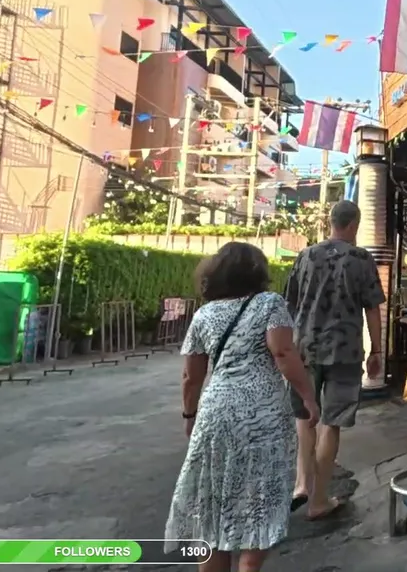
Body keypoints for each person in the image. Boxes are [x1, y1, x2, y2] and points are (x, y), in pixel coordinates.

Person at [165, 242, 320, 572]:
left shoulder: (204, 314)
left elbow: (191, 377)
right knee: (259, 498)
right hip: (263, 416)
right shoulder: (269, 303)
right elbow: (283, 352)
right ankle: (249, 566)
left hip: (216, 412)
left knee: (212, 505)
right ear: (258, 272)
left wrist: (190, 415)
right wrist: (307, 395)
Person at [284, 200, 386, 521]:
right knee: (332, 421)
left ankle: (301, 484)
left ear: (331, 222)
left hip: (304, 349)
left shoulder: (305, 256)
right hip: (345, 351)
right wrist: (377, 351)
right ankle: (318, 500)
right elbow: (372, 308)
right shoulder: (361, 259)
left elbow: (289, 305)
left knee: (304, 416)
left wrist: (287, 348)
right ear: (353, 224)